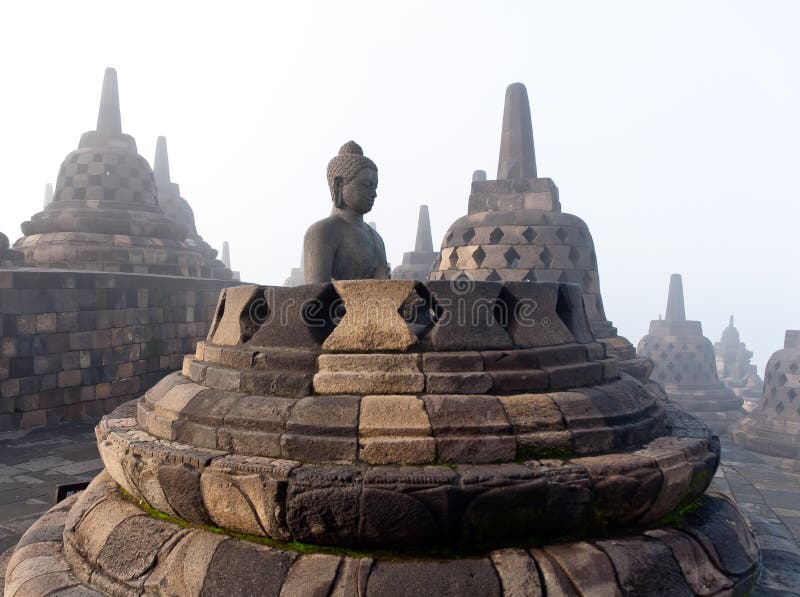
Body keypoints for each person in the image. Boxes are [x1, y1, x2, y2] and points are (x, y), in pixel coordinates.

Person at [303, 141, 390, 282]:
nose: (374, 194)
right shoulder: (322, 232)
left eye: (375, 187)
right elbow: (316, 294)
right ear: (339, 185)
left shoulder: (377, 238)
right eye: (367, 185)